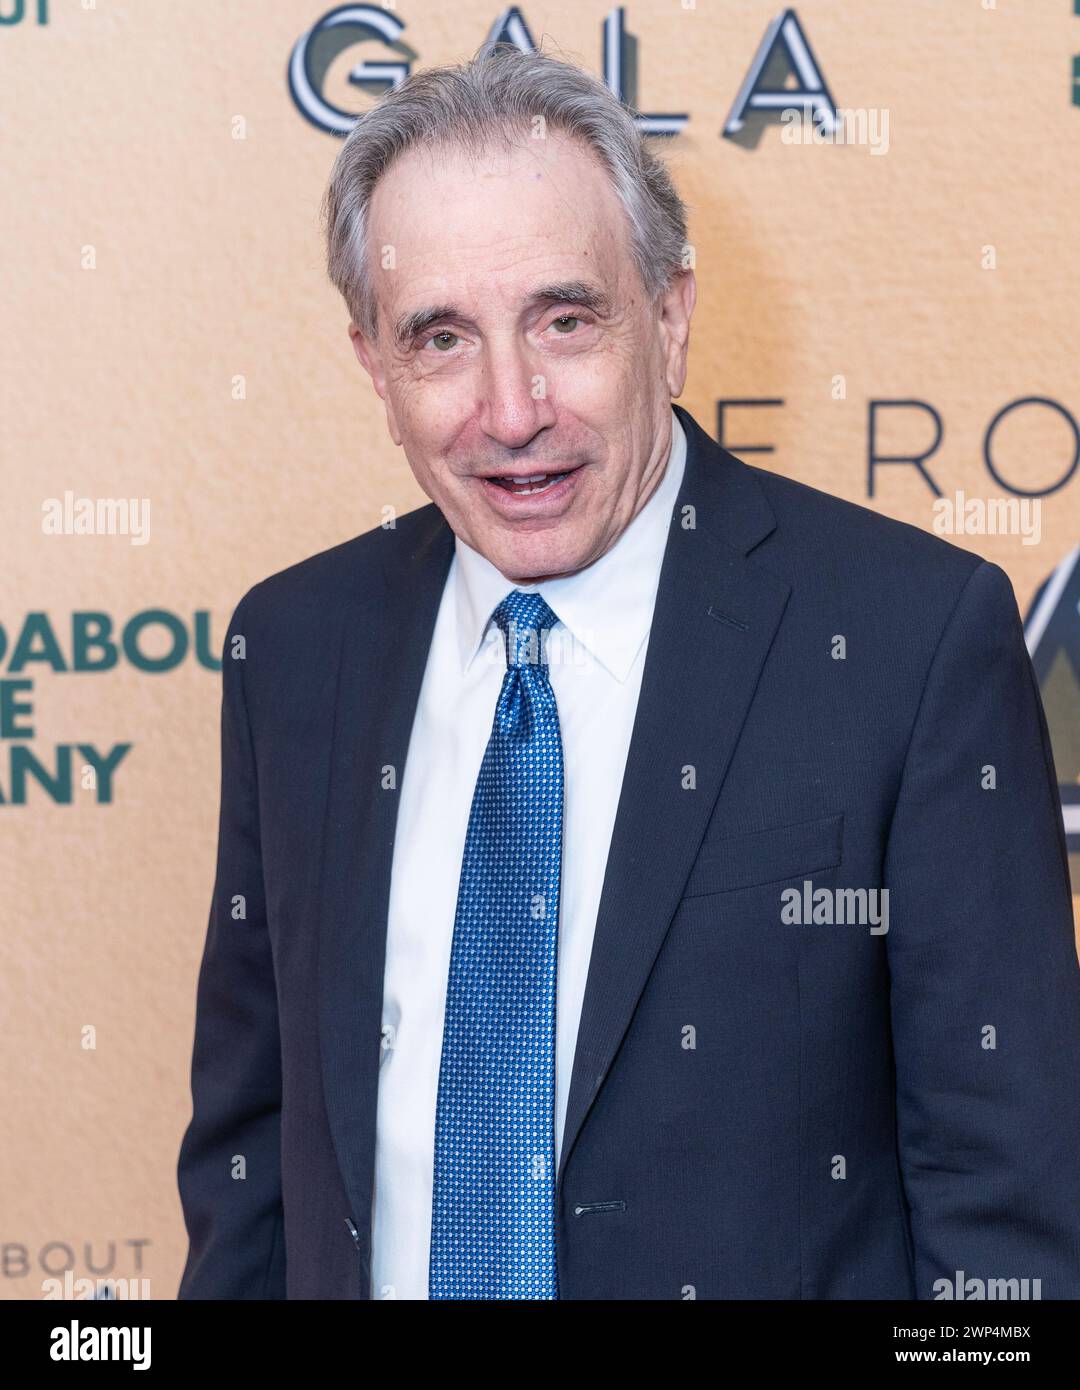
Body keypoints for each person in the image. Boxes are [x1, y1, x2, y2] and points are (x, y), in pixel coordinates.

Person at [177, 45, 1080, 1300]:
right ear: (373, 368)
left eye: (565, 318)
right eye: (440, 337)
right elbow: (252, 1157)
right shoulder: (293, 649)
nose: (511, 409)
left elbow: (1012, 1209)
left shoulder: (908, 641)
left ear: (668, 315)